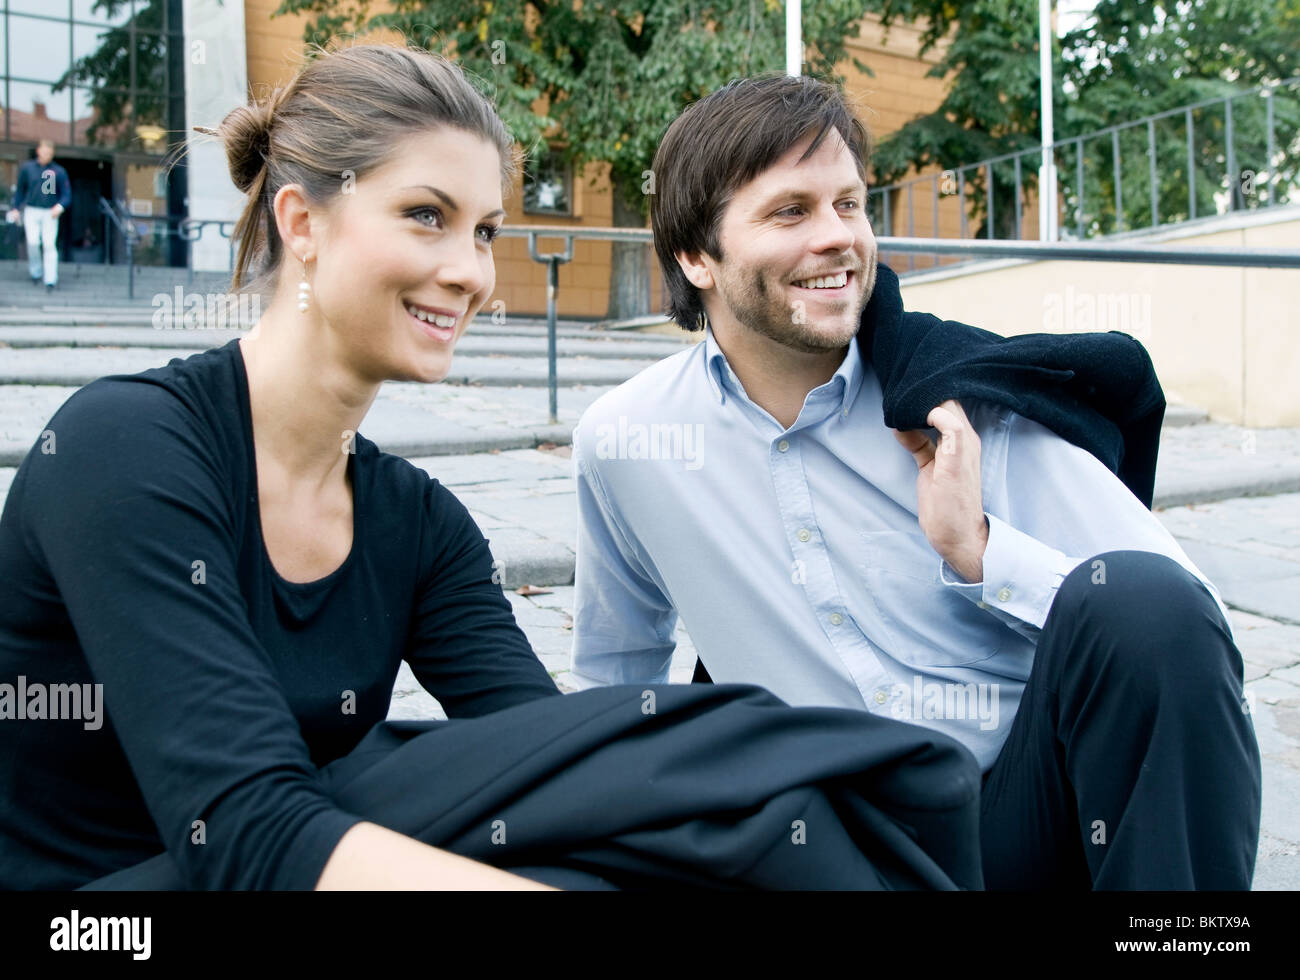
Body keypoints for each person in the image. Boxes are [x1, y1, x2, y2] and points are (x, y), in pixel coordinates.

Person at [0, 44, 986, 892]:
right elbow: (248, 830)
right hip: (104, 917)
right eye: (426, 215)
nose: (471, 270)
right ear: (301, 223)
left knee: (672, 806)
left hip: (301, 850)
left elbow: (553, 764)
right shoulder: (122, 448)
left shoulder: (415, 522)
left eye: (484, 232)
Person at [567, 72, 1262, 890]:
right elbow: (617, 677)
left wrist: (981, 552)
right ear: (695, 255)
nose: (839, 238)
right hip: (827, 849)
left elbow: (1183, 629)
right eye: (791, 211)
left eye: (850, 205)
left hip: (1023, 817)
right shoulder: (627, 441)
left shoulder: (966, 406)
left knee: (1143, 597)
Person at [6, 139, 71, 292]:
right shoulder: (27, 168)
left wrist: (59, 206)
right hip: (31, 210)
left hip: (50, 213)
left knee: (49, 245)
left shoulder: (58, 171)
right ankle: (36, 271)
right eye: (44, 151)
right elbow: (20, 191)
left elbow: (67, 194)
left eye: (50, 152)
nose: (47, 155)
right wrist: (15, 208)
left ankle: (50, 279)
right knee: (33, 242)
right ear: (38, 151)